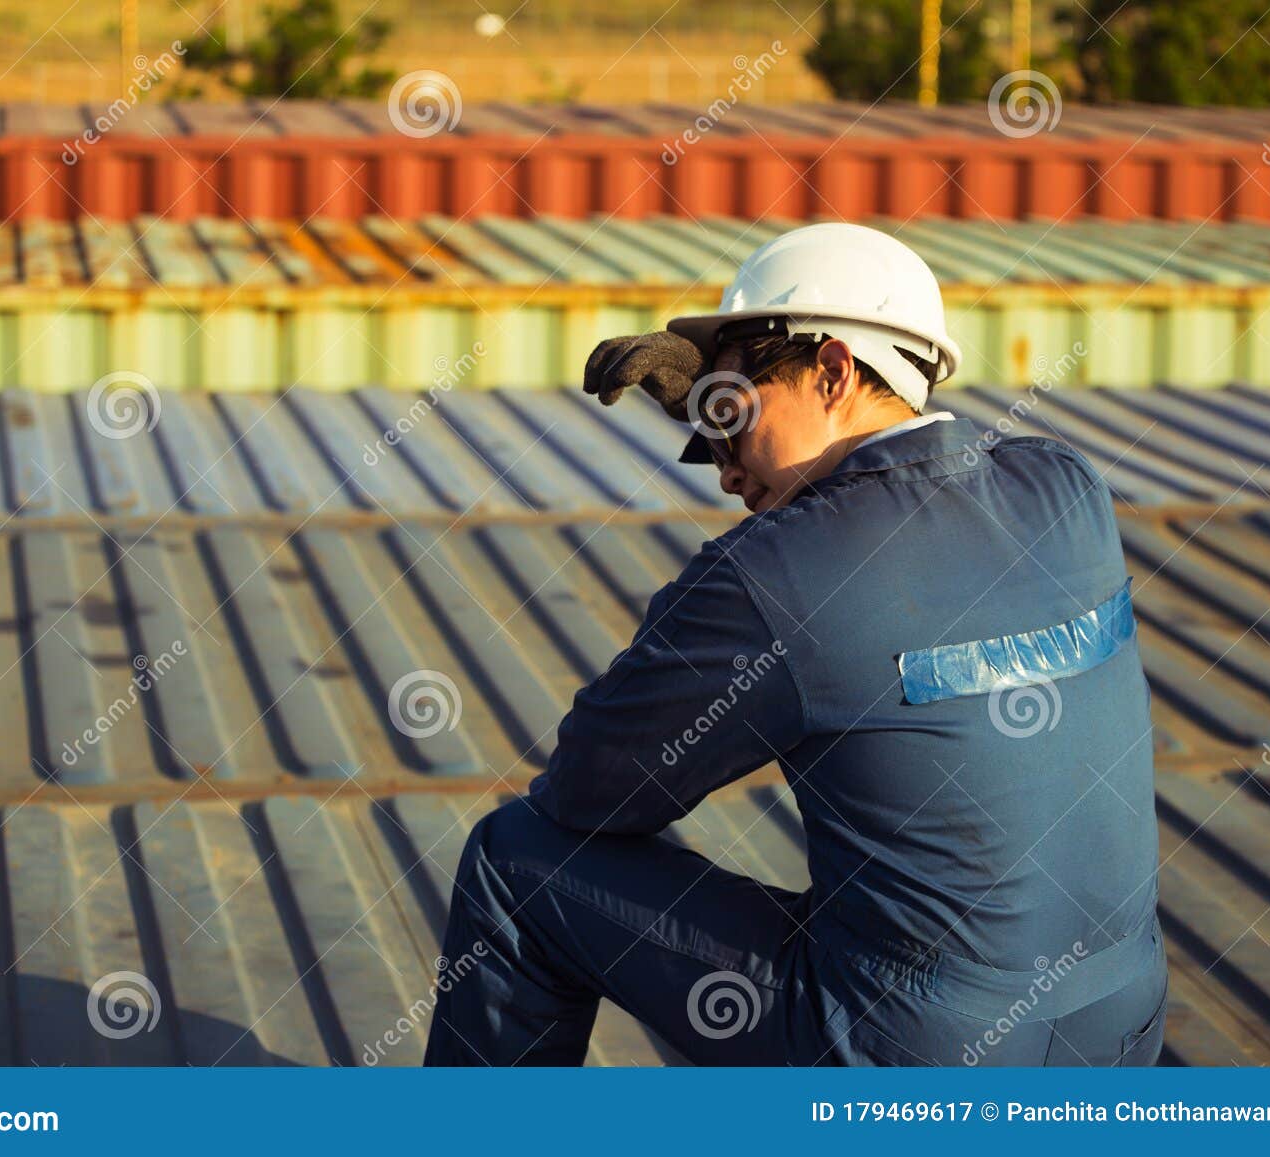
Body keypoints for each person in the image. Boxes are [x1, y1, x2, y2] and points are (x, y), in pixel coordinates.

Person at [423, 223, 1166, 1066]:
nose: (725, 470)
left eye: (731, 414)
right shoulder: (1067, 485)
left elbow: (589, 790)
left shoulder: (770, 574)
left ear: (834, 371)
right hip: (1122, 1032)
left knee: (517, 860)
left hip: (912, 1060)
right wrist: (739, 405)